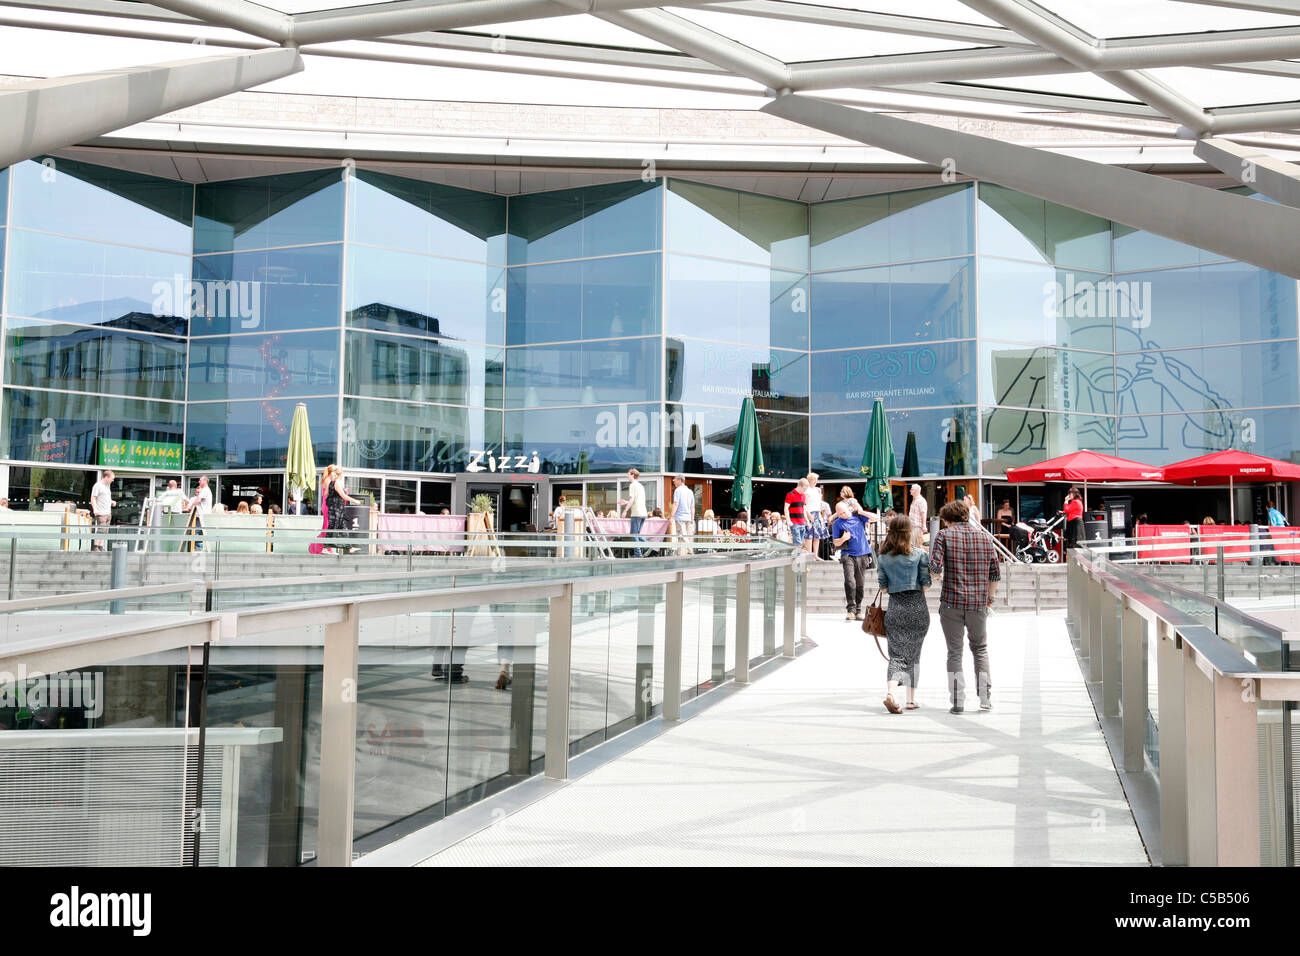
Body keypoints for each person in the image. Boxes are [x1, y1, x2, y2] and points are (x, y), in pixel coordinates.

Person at [929, 499, 1000, 714]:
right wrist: (989, 600)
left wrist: (937, 576)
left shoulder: (944, 535)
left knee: (954, 652)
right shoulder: (985, 537)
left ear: (948, 519)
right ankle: (985, 697)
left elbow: (934, 566)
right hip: (978, 603)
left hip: (951, 602)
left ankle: (958, 700)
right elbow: (995, 573)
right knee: (980, 649)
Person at [876, 513, 932, 714]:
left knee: (897, 655)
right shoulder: (919, 555)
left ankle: (891, 693)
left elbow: (883, 589)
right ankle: (911, 699)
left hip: (896, 609)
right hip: (917, 608)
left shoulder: (883, 557)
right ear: (909, 532)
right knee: (915, 655)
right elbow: (926, 585)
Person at [831, 499, 873, 621]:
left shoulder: (858, 517)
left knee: (860, 584)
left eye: (843, 512)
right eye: (839, 514)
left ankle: (858, 609)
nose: (842, 515)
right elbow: (835, 542)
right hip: (848, 555)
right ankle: (851, 609)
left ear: (848, 509)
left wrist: (861, 511)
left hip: (863, 554)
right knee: (850, 581)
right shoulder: (837, 523)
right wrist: (843, 538)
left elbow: (874, 518)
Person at [618, 468, 647, 558]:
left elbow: (632, 499)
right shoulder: (641, 486)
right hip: (643, 513)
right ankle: (649, 547)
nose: (627, 476)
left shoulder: (632, 485)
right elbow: (636, 500)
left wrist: (625, 510)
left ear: (633, 475)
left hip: (636, 513)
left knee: (634, 534)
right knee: (637, 534)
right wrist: (626, 502)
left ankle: (639, 554)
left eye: (628, 474)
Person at [803, 472, 830, 559]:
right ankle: (810, 554)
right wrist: (808, 515)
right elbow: (803, 504)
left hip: (817, 513)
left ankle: (815, 555)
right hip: (810, 513)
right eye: (814, 479)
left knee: (817, 535)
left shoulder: (818, 490)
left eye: (816, 480)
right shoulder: (806, 490)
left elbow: (820, 503)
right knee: (809, 535)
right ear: (810, 480)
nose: (816, 481)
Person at [186, 475, 213, 551]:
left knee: (194, 534)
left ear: (205, 481)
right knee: (197, 533)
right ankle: (197, 549)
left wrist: (190, 507)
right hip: (202, 516)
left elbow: (198, 500)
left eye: (200, 480)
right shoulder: (206, 490)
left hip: (201, 516)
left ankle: (195, 550)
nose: (199, 481)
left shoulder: (205, 490)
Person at [90, 469, 114, 551]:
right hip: (101, 512)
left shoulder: (106, 487)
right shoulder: (98, 485)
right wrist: (95, 509)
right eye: (112, 478)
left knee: (105, 530)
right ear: (107, 477)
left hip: (108, 512)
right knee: (101, 529)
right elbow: (93, 497)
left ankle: (101, 546)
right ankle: (95, 546)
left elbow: (105, 498)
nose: (112, 480)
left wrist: (111, 502)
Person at [671, 475, 695, 555]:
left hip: (680, 516)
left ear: (679, 480)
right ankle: (680, 553)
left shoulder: (678, 490)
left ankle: (690, 549)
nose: (673, 482)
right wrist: (692, 518)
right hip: (688, 517)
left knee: (682, 535)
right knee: (684, 536)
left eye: (674, 480)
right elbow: (692, 506)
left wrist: (672, 515)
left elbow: (675, 503)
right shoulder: (690, 491)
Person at [784, 477, 808, 549]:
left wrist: (807, 521)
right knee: (798, 543)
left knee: (800, 543)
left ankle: (797, 558)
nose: (805, 491)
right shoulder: (790, 494)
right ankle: (798, 559)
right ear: (800, 486)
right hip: (794, 522)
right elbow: (786, 508)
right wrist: (788, 520)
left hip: (802, 523)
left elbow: (803, 509)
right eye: (804, 489)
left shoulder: (803, 496)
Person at [908, 483, 928, 549]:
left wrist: (924, 526)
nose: (910, 490)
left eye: (912, 489)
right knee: (913, 544)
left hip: (917, 526)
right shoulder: (914, 500)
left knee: (915, 545)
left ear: (916, 491)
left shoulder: (921, 501)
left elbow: (923, 513)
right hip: (913, 526)